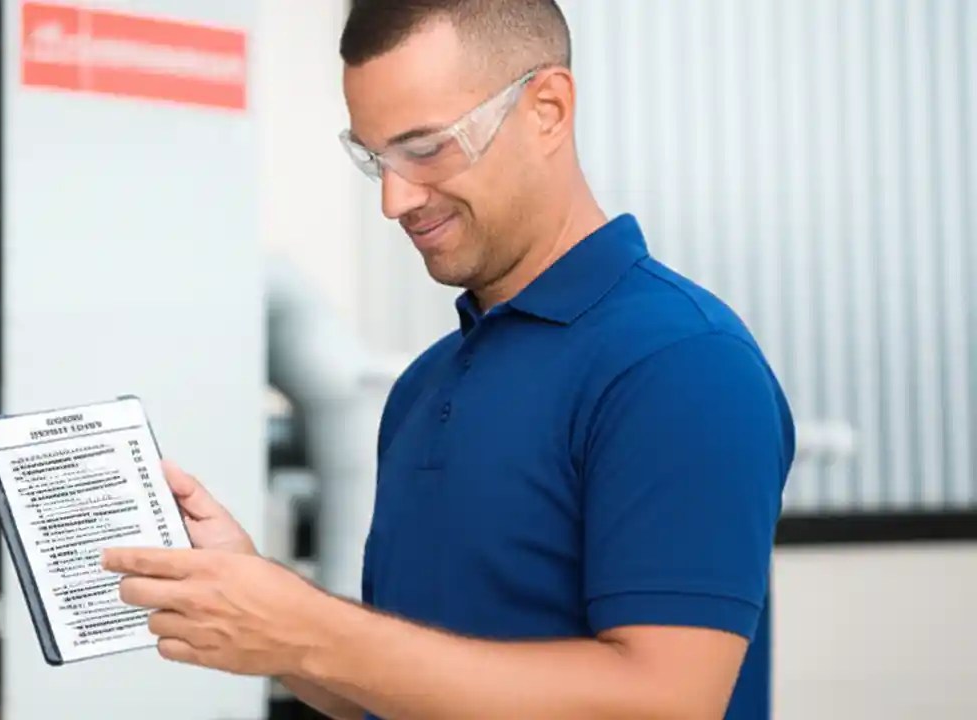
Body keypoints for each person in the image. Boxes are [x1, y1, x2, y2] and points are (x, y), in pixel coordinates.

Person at [102, 1, 793, 718]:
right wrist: (253, 594)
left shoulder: (679, 363)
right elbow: (392, 685)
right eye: (375, 160)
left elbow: (666, 702)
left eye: (427, 148)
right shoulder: (423, 386)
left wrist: (307, 629)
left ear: (549, 108)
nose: (395, 200)